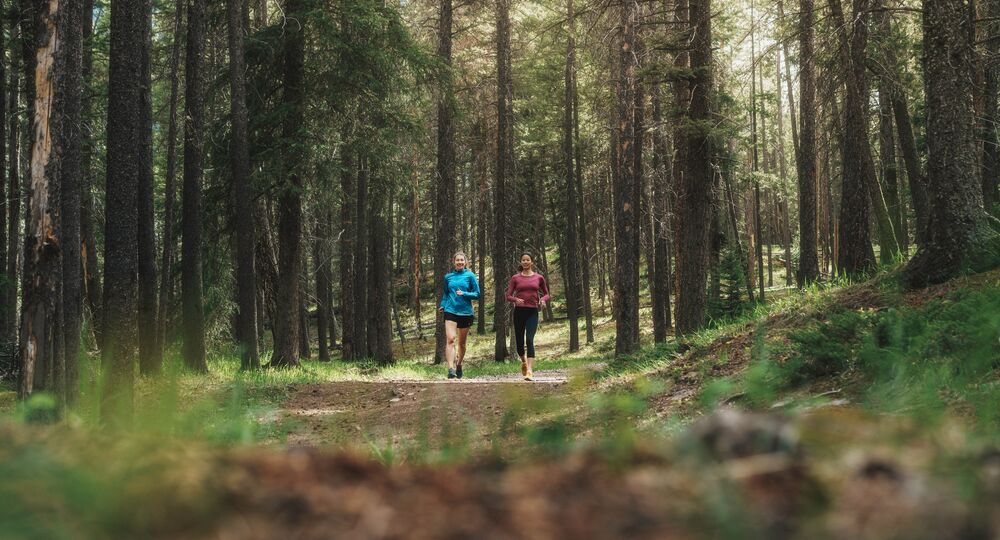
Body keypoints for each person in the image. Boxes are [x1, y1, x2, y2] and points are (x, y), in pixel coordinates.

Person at [505, 253, 550, 381]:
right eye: (523, 260)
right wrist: (515, 300)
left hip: (532, 311)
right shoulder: (515, 278)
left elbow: (547, 294)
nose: (525, 262)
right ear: (521, 262)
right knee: (520, 342)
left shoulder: (539, 278)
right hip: (519, 312)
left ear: (532, 262)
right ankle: (523, 361)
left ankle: (530, 371)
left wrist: (543, 300)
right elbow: (508, 296)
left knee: (529, 339)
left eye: (528, 260)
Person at [439, 251, 480, 379]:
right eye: (458, 260)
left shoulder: (470, 276)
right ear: (454, 262)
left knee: (462, 343)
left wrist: (465, 294)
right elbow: (446, 294)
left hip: (466, 312)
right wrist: (443, 305)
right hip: (450, 310)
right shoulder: (448, 277)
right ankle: (450, 369)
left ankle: (459, 364)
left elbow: (477, 294)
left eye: (462, 260)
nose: (460, 262)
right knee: (450, 339)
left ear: (465, 262)